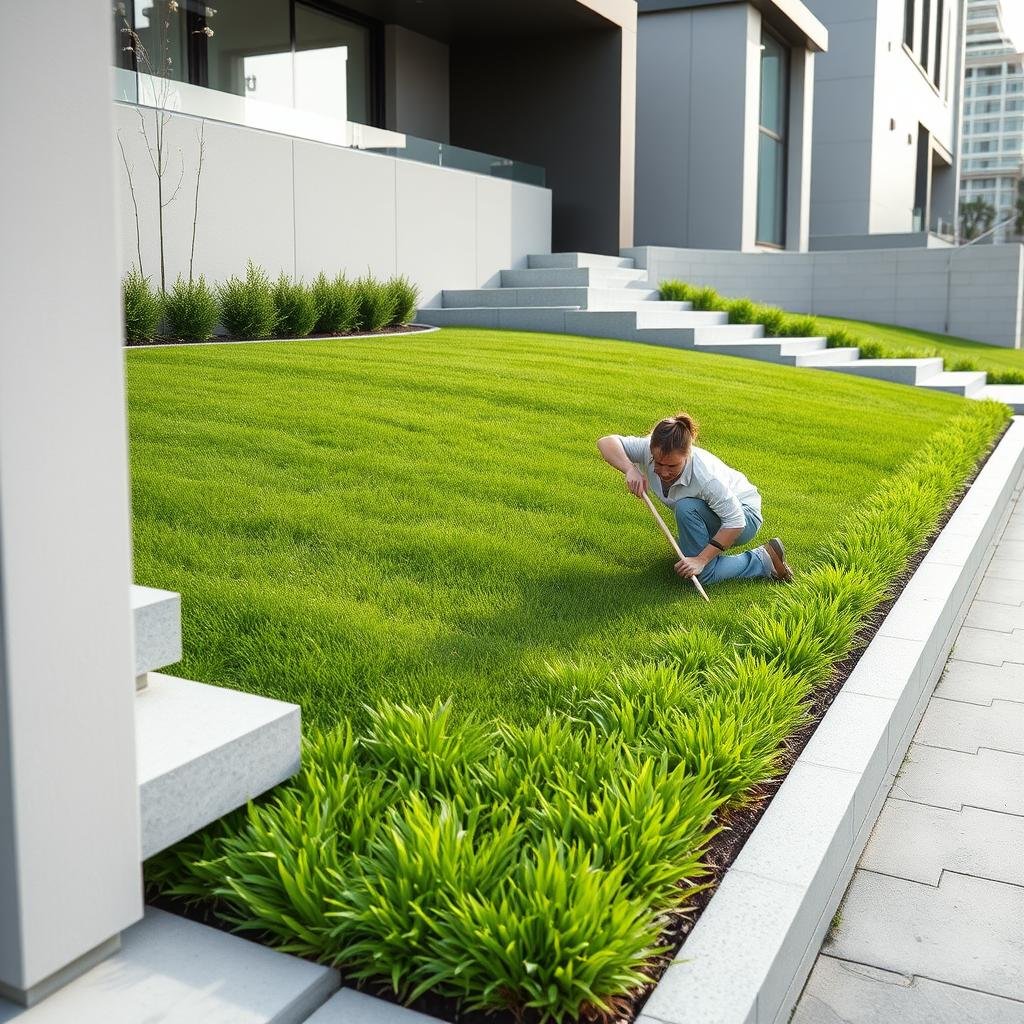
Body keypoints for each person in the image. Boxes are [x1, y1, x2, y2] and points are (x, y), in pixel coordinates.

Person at [597, 413, 792, 588]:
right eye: (658, 463)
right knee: (687, 543)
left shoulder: (705, 476)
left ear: (687, 455)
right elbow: (606, 442)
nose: (664, 472)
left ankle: (763, 560)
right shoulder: (648, 449)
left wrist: (701, 559)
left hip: (744, 516)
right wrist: (630, 469)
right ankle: (704, 556)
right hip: (718, 514)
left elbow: (735, 522)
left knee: (701, 570)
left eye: (672, 465)